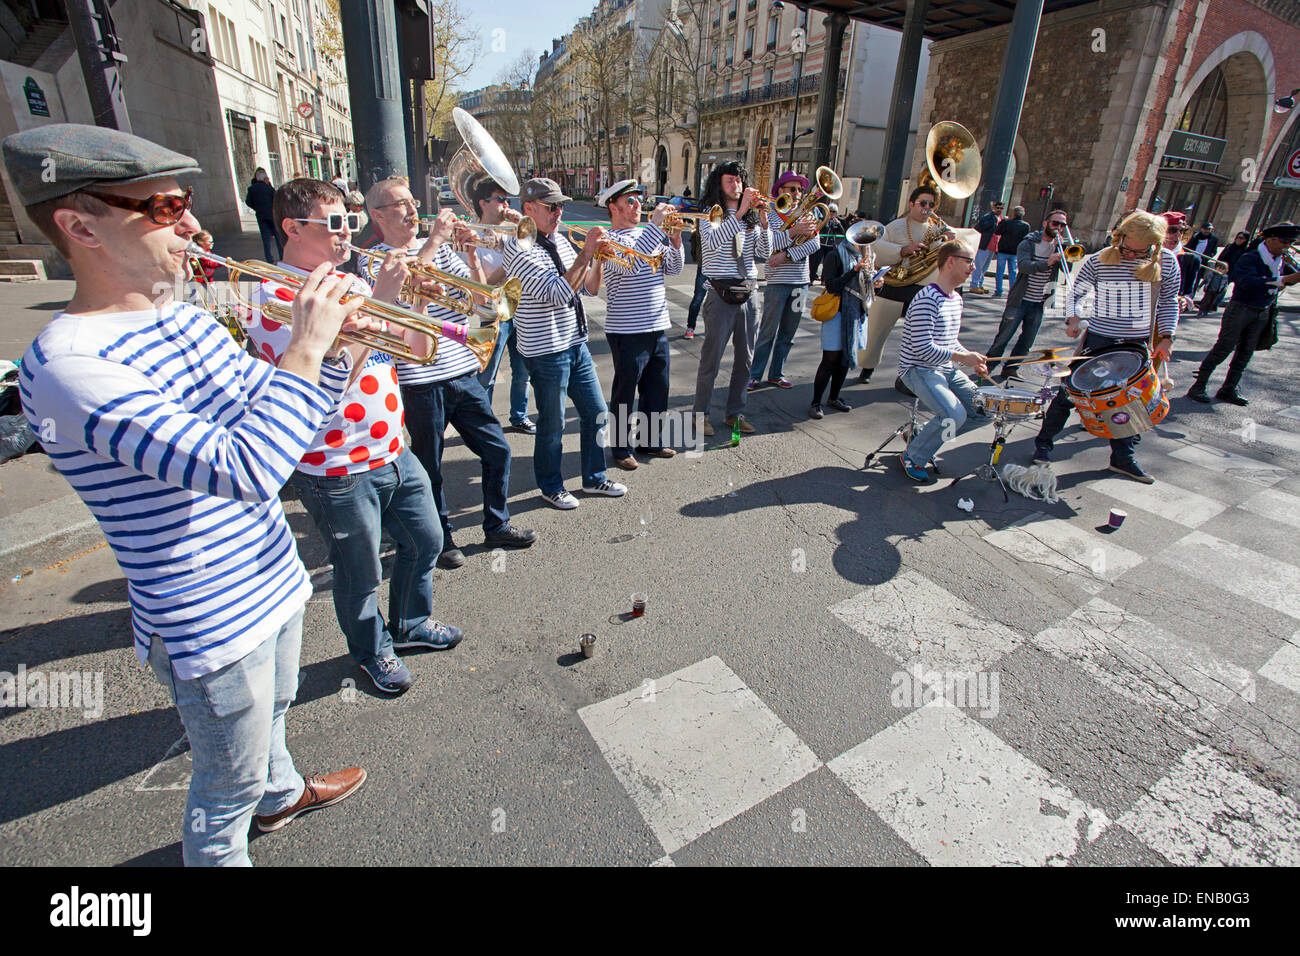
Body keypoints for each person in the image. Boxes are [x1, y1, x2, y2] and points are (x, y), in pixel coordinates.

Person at [8, 123, 366, 865]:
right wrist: (305, 344)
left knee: (277, 713)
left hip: (268, 575)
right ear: (81, 226)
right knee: (223, 786)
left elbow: (279, 416)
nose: (195, 225)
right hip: (206, 611)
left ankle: (283, 794)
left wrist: (346, 348)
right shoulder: (72, 366)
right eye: (166, 208)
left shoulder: (177, 313)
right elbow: (245, 467)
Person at [245, 178, 465, 695]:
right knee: (360, 571)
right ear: (293, 229)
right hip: (335, 463)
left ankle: (409, 624)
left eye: (350, 221)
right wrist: (384, 297)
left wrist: (415, 304)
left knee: (426, 541)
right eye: (335, 223)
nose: (348, 234)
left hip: (392, 446)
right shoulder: (274, 297)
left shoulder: (351, 283)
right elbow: (328, 381)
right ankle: (371, 653)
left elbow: (408, 349)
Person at [361, 177, 537, 567]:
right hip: (420, 379)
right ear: (378, 216)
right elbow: (401, 300)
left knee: (498, 450)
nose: (411, 210)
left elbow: (481, 302)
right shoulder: (373, 258)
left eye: (411, 201)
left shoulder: (437, 252)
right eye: (400, 205)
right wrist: (435, 242)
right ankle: (442, 539)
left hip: (461, 369)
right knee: (430, 466)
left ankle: (497, 524)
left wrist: (472, 256)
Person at [1032, 210, 1180, 484]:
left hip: (1136, 344)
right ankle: (1043, 444)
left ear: (1155, 245)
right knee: (1069, 394)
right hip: (1099, 340)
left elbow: (1170, 301)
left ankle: (1122, 458)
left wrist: (1167, 338)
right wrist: (1073, 317)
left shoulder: (1167, 262)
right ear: (1119, 237)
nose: (1131, 255)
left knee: (1130, 402)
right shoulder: (1101, 259)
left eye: (1140, 251)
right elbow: (1074, 293)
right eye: (1127, 249)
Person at [504, 178, 626, 509]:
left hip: (574, 342)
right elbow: (558, 294)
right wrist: (586, 251)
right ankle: (550, 484)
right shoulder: (518, 248)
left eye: (561, 205)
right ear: (528, 209)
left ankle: (594, 477)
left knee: (597, 412)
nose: (560, 212)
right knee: (553, 423)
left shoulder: (558, 239)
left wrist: (597, 258)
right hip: (545, 350)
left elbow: (588, 288)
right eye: (551, 206)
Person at [593, 179, 683, 469]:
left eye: (638, 200)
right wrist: (656, 227)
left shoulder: (648, 234)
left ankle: (650, 441)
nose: (637, 206)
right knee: (625, 391)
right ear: (613, 206)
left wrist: (676, 240)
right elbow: (632, 266)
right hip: (627, 329)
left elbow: (674, 268)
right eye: (630, 201)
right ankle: (620, 449)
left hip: (657, 324)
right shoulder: (609, 240)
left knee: (658, 388)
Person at [693, 160, 773, 436]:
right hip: (719, 291)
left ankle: (735, 413)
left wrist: (763, 222)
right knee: (711, 359)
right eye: (730, 180)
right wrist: (739, 213)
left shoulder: (750, 216)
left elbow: (764, 253)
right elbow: (712, 243)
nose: (736, 185)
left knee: (746, 359)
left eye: (739, 180)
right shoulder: (710, 213)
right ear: (718, 183)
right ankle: (700, 415)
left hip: (748, 290)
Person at [857, 185, 968, 383]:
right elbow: (876, 248)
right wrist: (902, 250)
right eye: (922, 203)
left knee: (922, 338)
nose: (927, 208)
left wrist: (951, 242)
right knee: (875, 332)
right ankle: (867, 367)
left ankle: (915, 374)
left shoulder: (938, 229)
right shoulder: (896, 226)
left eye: (931, 204)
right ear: (911, 204)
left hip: (923, 290)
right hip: (893, 288)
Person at [898, 241, 989, 482]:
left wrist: (972, 358)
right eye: (968, 261)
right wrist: (962, 357)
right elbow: (922, 348)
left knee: (985, 410)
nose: (973, 267)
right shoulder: (927, 298)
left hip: (944, 368)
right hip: (918, 369)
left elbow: (950, 341)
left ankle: (924, 439)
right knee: (953, 415)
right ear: (950, 261)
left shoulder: (956, 299)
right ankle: (913, 455)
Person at [1186, 222, 1300, 406]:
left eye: (1290, 242)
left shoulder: (1280, 260)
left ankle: (1229, 388)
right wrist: (1283, 279)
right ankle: (1199, 385)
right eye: (1285, 241)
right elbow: (1246, 282)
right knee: (1224, 348)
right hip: (1241, 308)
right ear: (1270, 240)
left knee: (1246, 352)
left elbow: (1290, 280)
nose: (1287, 246)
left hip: (1262, 310)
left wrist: (1290, 276)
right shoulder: (1252, 258)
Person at [468, 176, 535, 434]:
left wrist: (523, 226)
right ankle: (484, 422)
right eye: (501, 200)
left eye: (507, 200)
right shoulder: (470, 236)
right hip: (493, 312)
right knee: (488, 373)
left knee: (523, 370)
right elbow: (478, 283)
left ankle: (519, 416)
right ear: (483, 203)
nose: (506, 205)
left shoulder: (511, 231)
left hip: (521, 308)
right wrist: (510, 264)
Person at [750, 171, 821, 389]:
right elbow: (767, 246)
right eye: (792, 189)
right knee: (767, 332)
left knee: (789, 332)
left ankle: (776, 373)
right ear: (780, 191)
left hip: (800, 281)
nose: (798, 193)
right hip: (777, 282)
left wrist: (786, 255)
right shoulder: (769, 215)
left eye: (800, 189)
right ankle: (754, 374)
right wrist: (793, 233)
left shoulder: (807, 214)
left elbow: (815, 244)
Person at [985, 210, 1069, 381]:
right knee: (1004, 337)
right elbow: (1024, 266)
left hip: (1040, 302)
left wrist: (1065, 252)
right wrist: (1048, 262)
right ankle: (987, 367)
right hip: (1020, 300)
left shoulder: (1059, 246)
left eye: (1062, 225)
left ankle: (1011, 369)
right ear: (1045, 223)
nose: (1058, 228)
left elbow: (1068, 271)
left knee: (1027, 341)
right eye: (1055, 223)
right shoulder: (1028, 243)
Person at [810, 228, 880, 417]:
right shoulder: (836, 255)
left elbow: (865, 289)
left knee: (844, 358)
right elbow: (831, 285)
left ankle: (834, 397)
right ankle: (815, 402)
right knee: (830, 360)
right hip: (837, 312)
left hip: (855, 313)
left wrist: (876, 282)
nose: (865, 247)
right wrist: (853, 271)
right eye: (861, 242)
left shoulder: (864, 258)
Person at [1196, 231, 1250, 315]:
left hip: (1231, 271)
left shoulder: (1244, 250)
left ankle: (1214, 304)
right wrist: (1217, 265)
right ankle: (1205, 302)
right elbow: (1222, 255)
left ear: (1245, 240)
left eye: (1241, 238)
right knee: (1211, 285)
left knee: (1222, 288)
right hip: (1221, 268)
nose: (1238, 239)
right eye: (1238, 237)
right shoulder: (1230, 246)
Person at [245, 166, 280, 262]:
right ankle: (281, 255)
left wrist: (256, 208)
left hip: (261, 215)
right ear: (265, 178)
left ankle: (269, 258)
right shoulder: (269, 188)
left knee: (266, 238)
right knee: (277, 236)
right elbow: (276, 199)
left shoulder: (252, 189)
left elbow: (248, 202)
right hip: (271, 215)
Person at [992, 205, 1029, 295]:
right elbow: (1026, 239)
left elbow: (997, 231)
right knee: (1013, 272)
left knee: (1000, 272)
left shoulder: (1007, 222)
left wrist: (1003, 221)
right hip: (1015, 251)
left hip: (1003, 250)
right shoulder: (1025, 225)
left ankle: (998, 290)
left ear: (1014, 213)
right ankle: (1012, 290)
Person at [970, 199, 1004, 294]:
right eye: (998, 208)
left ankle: (980, 284)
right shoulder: (988, 217)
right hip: (985, 245)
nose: (999, 210)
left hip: (993, 246)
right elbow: (980, 227)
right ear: (994, 208)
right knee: (979, 266)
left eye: (1001, 208)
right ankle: (974, 285)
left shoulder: (1001, 218)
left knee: (985, 267)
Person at [1181, 221, 1218, 296]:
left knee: (1195, 280)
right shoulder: (1196, 236)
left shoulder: (1213, 238)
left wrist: (1207, 257)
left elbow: (1214, 250)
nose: (1207, 231)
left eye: (1209, 229)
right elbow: (1188, 246)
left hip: (1201, 262)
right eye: (1205, 229)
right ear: (1202, 229)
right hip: (1190, 259)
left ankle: (1190, 296)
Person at [684, 223, 706, 339]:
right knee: (698, 297)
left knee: (718, 300)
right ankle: (690, 327)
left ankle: (714, 328)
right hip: (705, 265)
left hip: (720, 267)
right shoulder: (704, 216)